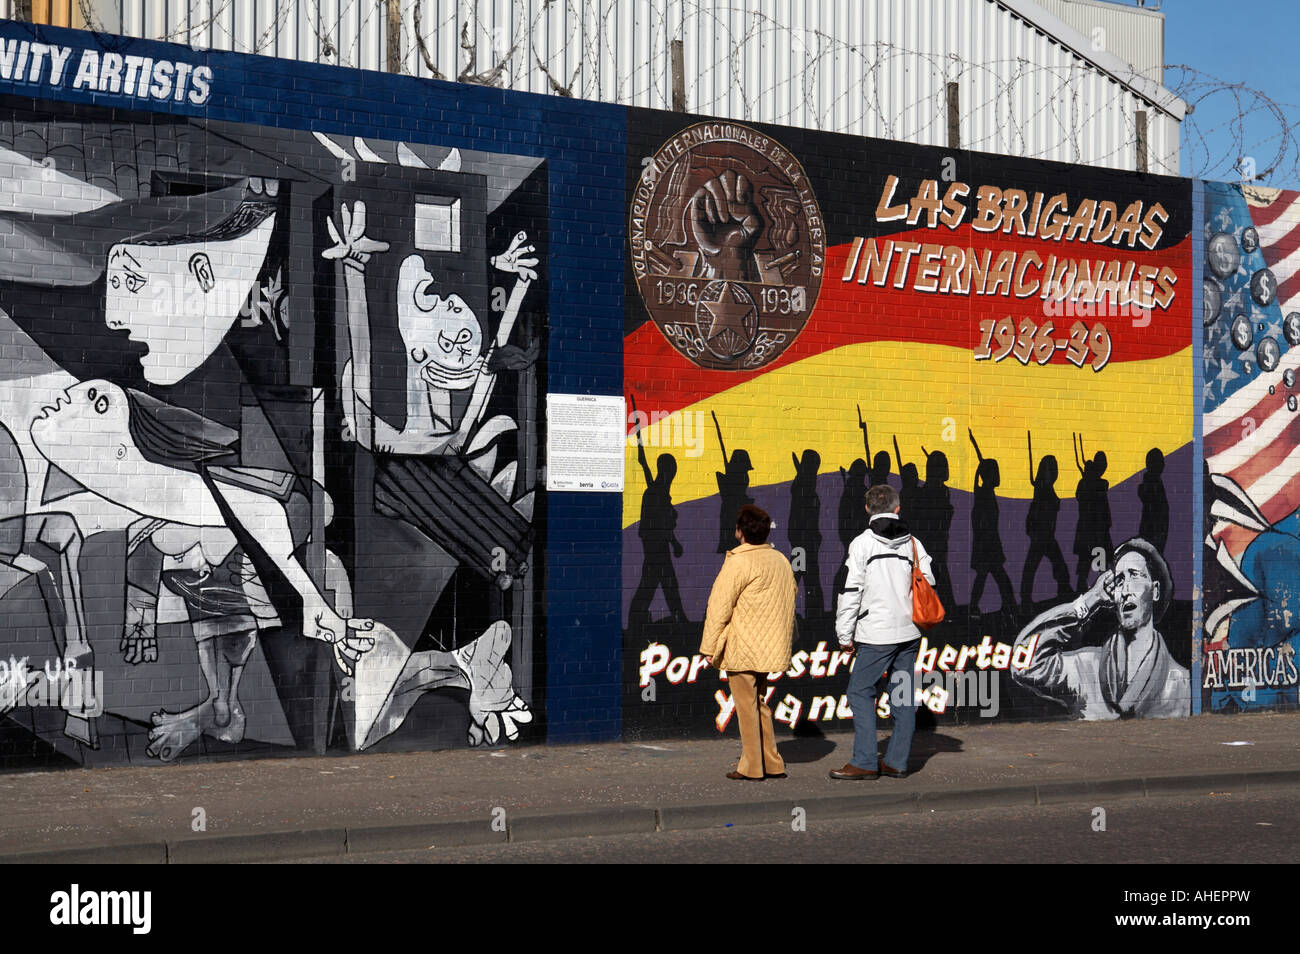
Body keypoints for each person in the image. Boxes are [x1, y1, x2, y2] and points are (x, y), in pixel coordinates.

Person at [1012, 538, 1189, 719]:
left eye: (1134, 575)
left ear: (1156, 590)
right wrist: (1091, 599)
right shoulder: (1087, 669)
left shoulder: (1180, 684)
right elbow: (1023, 663)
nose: (1126, 589)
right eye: (1119, 580)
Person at [831, 484, 935, 780]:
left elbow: (851, 591)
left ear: (867, 509)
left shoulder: (862, 544)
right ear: (897, 508)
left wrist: (844, 635)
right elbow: (929, 582)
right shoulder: (913, 543)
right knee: (902, 695)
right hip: (909, 632)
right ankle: (897, 762)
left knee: (859, 691)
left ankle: (865, 761)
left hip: (876, 634)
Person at [699, 504, 796, 780]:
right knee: (760, 703)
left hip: (743, 647)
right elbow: (790, 599)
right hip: (769, 647)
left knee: (746, 707)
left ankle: (752, 767)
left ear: (740, 532)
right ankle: (773, 763)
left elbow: (719, 606)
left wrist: (708, 646)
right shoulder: (780, 560)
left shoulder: (738, 562)